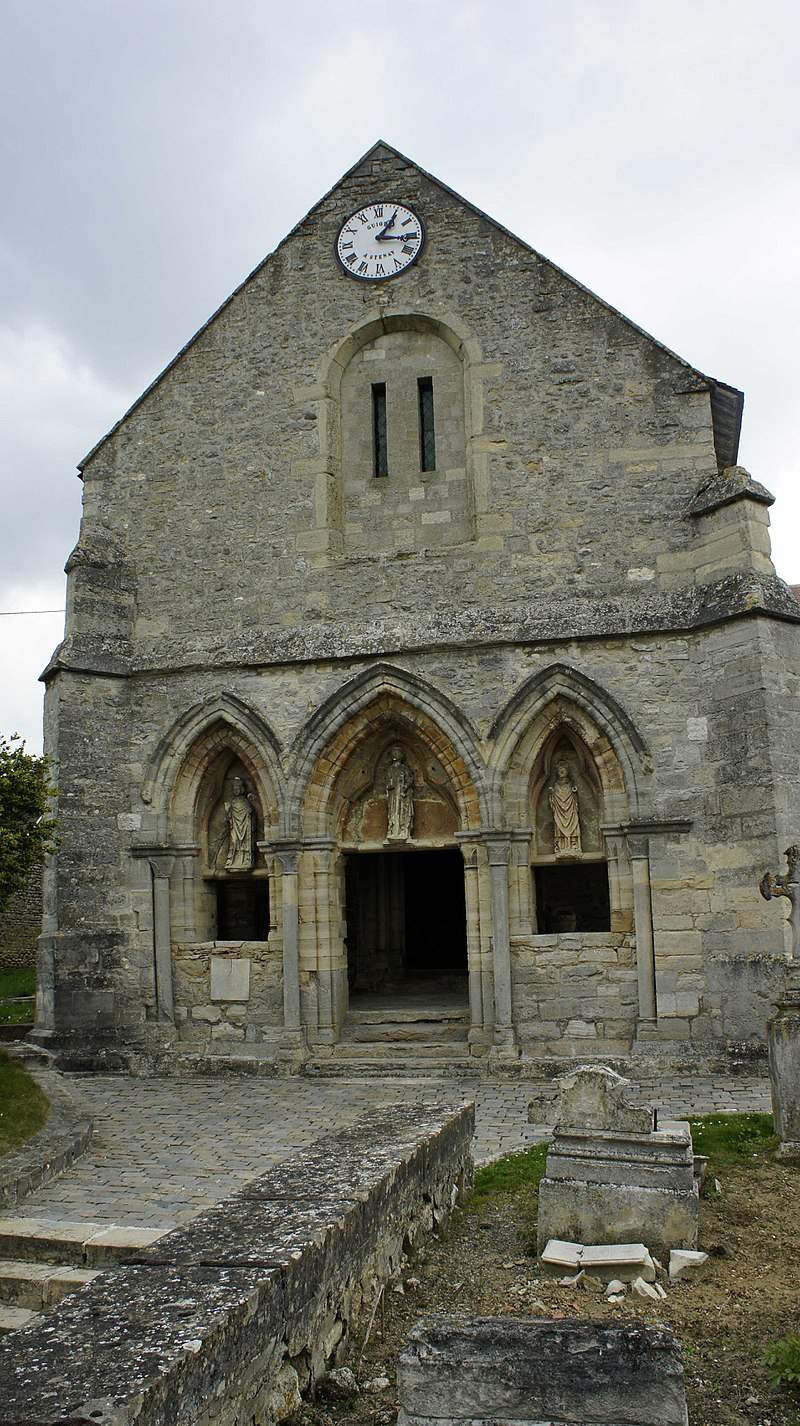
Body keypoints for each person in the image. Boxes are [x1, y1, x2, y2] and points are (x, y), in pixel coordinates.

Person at [548, 760, 581, 856]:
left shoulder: (571, 784)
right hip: (559, 811)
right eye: (560, 770)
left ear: (568, 772)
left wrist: (575, 792)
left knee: (573, 824)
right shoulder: (555, 785)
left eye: (564, 770)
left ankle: (574, 844)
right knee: (558, 825)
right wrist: (551, 794)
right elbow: (553, 801)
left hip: (571, 810)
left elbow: (575, 799)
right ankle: (560, 845)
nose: (562, 772)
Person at [224, 776, 256, 870]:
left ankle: (246, 860)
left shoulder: (246, 802)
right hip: (235, 827)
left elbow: (251, 812)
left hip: (245, 827)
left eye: (237, 788)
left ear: (242, 789)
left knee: (245, 843)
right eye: (234, 788)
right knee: (234, 841)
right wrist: (227, 811)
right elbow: (228, 818)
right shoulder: (232, 803)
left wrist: (250, 810)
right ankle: (232, 860)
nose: (236, 790)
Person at [385, 746, 414, 841]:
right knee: (393, 813)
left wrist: (405, 787)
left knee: (403, 812)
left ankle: (403, 831)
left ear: (401, 755)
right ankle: (393, 831)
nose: (395, 755)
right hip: (393, 796)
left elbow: (410, 779)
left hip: (403, 795)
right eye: (393, 753)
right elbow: (387, 782)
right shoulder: (390, 769)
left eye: (397, 753)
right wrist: (389, 786)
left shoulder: (404, 768)